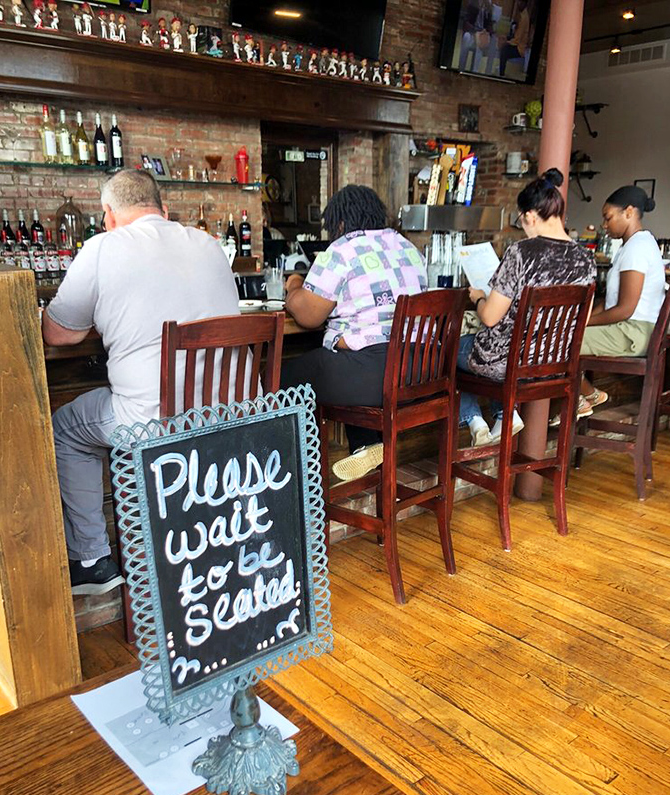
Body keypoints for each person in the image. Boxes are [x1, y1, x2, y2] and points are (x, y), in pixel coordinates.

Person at [43, 169, 240, 594]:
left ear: (108, 215)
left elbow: (59, 334)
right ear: (163, 210)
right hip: (232, 418)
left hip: (156, 426)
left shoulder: (101, 248)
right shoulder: (208, 245)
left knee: (63, 430)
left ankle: (93, 561)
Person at [280, 184, 427, 481]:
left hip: (374, 377)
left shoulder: (342, 249)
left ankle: (289, 478)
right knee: (345, 356)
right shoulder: (407, 247)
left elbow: (308, 315)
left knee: (278, 376)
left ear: (341, 222)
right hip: (419, 371)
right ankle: (368, 446)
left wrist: (294, 285)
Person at [460, 168, 596, 446]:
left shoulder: (522, 252)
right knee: (476, 350)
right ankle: (504, 415)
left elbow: (489, 317)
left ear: (531, 216)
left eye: (522, 220)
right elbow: (583, 317)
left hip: (509, 362)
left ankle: (477, 422)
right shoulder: (586, 258)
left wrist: (478, 297)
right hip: (553, 365)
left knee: (446, 348)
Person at [578, 185, 665, 411]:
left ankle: (585, 396)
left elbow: (625, 309)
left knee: (559, 343)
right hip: (630, 329)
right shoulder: (635, 244)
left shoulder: (637, 248)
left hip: (633, 332)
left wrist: (583, 322)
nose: (604, 225)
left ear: (628, 212)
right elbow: (609, 301)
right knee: (560, 338)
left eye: (608, 218)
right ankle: (579, 398)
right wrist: (583, 317)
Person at [499, 0, 531, 77]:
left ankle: (501, 74)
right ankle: (501, 67)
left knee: (504, 51)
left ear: (525, 3)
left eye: (521, 2)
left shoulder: (524, 18)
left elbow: (518, 39)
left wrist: (507, 42)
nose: (518, 4)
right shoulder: (521, 15)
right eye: (518, 2)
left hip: (520, 47)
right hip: (517, 42)